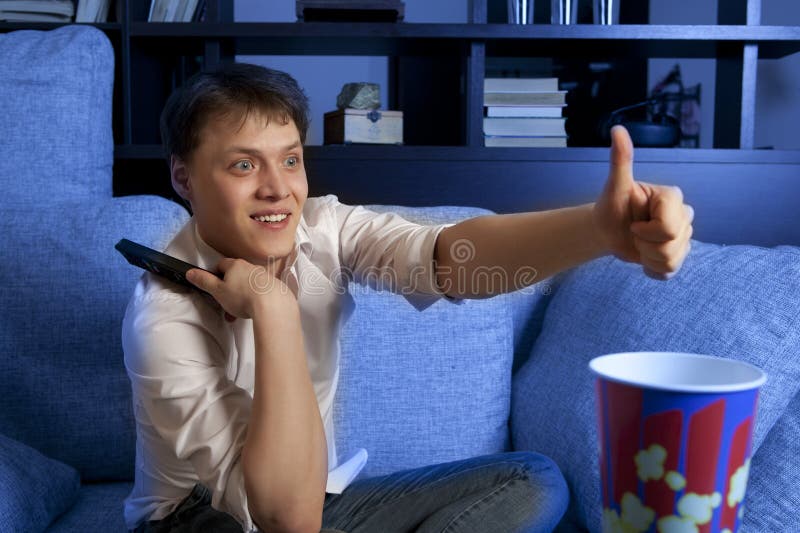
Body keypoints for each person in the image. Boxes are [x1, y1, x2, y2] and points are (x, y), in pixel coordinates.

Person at [122, 62, 693, 533]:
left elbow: (449, 261)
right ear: (183, 177)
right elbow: (284, 522)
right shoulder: (162, 320)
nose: (278, 188)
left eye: (290, 159)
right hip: (200, 521)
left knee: (529, 482)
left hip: (307, 494)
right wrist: (273, 310)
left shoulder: (323, 229)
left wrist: (596, 231)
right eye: (244, 164)